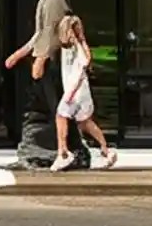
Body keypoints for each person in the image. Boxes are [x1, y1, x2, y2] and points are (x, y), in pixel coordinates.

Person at [5, 0, 89, 168]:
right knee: (49, 108)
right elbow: (40, 33)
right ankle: (58, 150)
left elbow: (51, 33)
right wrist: (19, 54)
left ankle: (69, 151)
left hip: (54, 62)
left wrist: (41, 59)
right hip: (47, 59)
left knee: (58, 108)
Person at [50, 15, 117, 171]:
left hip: (76, 91)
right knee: (85, 122)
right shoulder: (66, 48)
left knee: (61, 116)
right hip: (77, 90)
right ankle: (105, 149)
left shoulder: (78, 46)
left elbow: (85, 61)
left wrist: (77, 41)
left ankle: (63, 152)